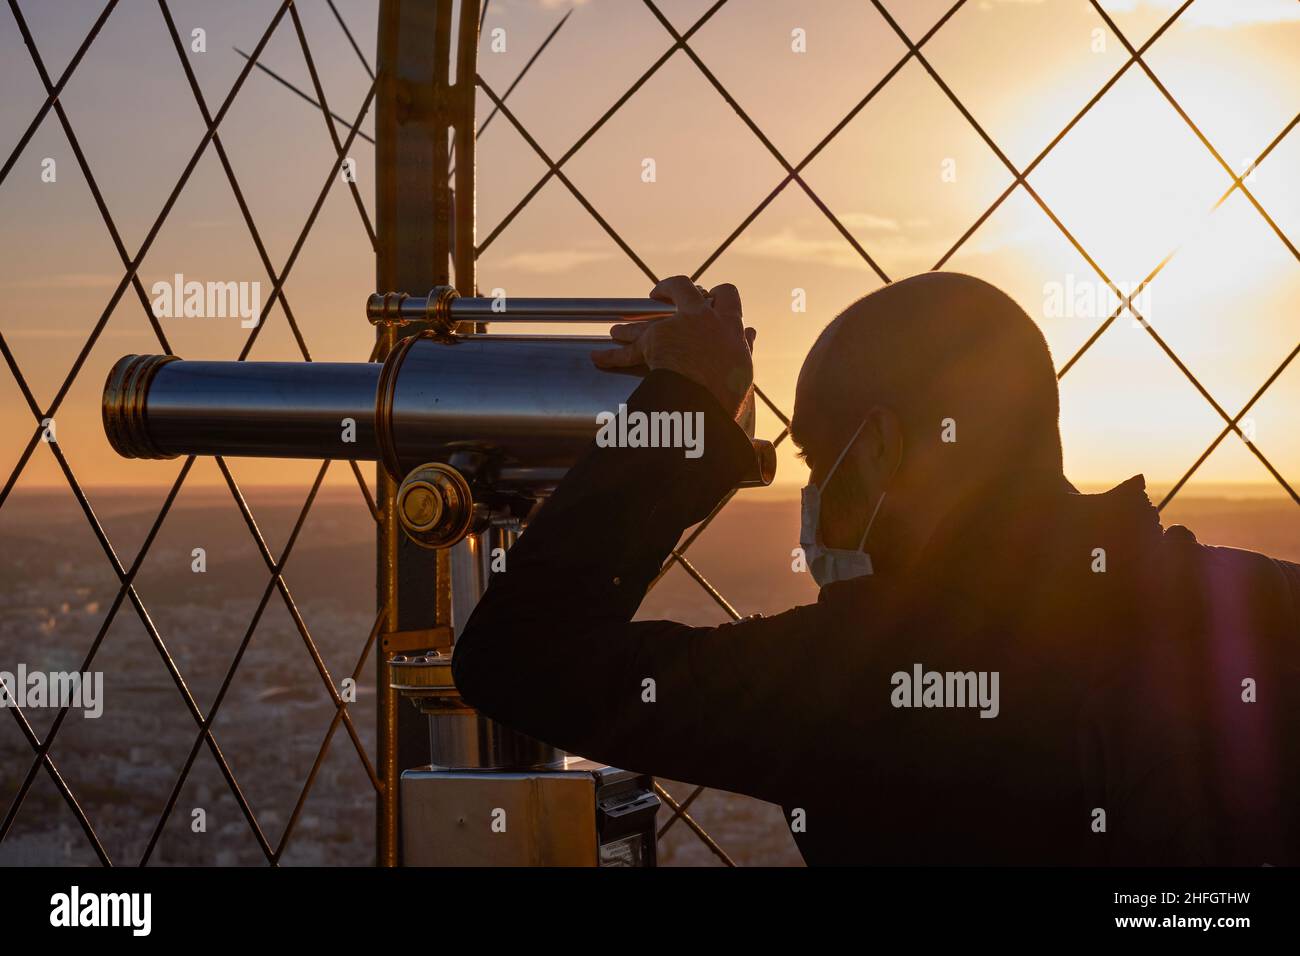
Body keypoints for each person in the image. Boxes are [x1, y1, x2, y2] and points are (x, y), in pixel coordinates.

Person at [452, 271, 1300, 865]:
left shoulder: (856, 678)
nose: (813, 490)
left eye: (822, 458)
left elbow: (520, 657)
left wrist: (685, 412)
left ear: (885, 447)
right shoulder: (1259, 605)